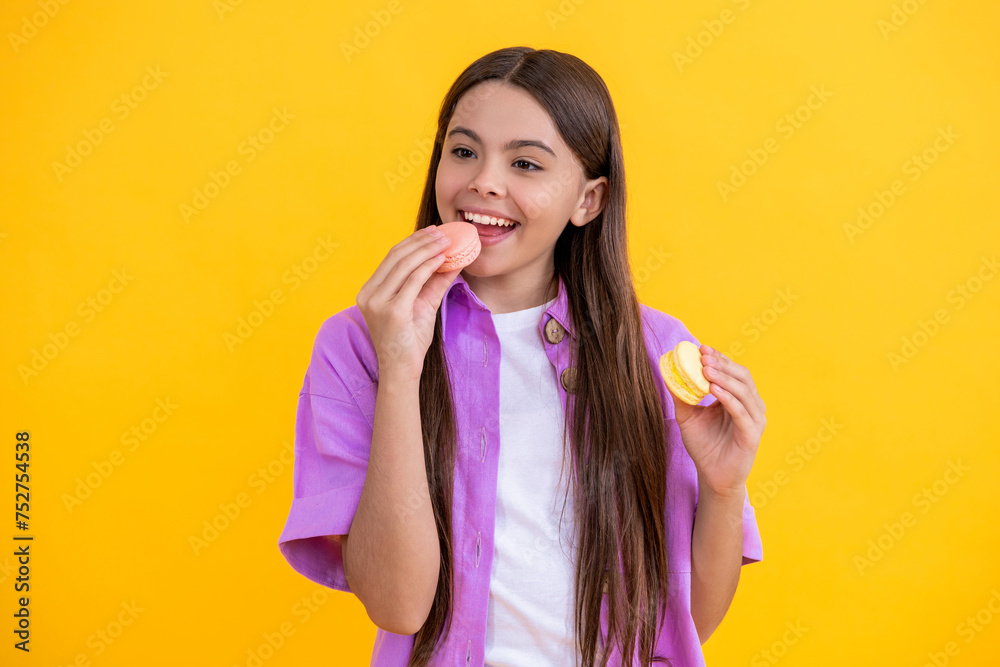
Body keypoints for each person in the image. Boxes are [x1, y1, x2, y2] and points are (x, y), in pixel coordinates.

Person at [277, 46, 766, 667]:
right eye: (463, 151)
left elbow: (687, 624)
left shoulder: (654, 352)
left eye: (526, 163)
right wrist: (402, 367)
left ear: (588, 201)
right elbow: (399, 607)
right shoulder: (358, 344)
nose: (484, 180)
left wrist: (725, 489)